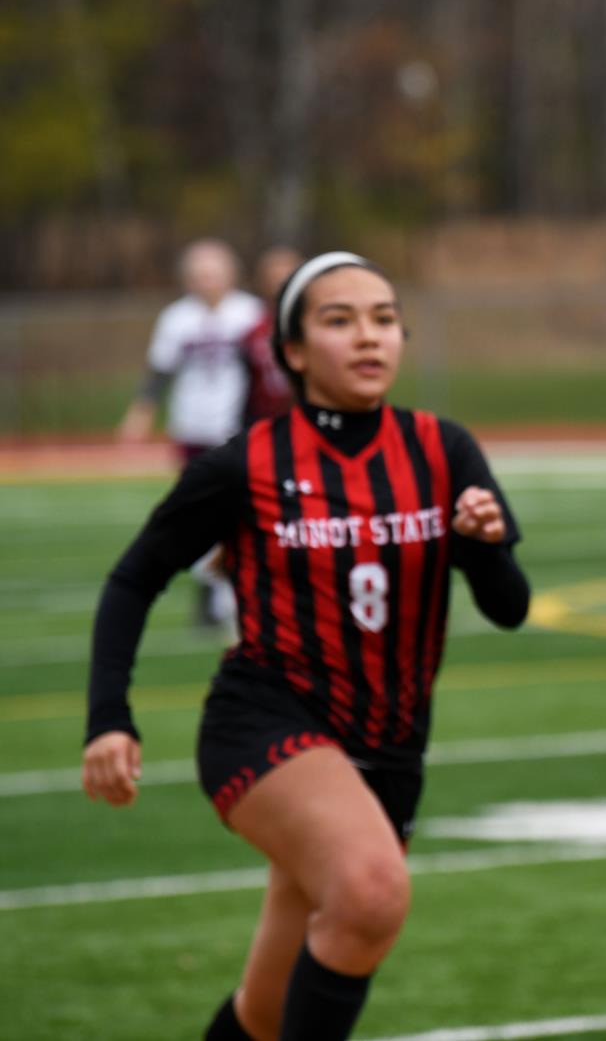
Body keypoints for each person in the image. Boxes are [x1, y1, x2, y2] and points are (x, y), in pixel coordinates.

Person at [82, 251, 532, 1041]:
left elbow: (509, 607)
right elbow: (132, 579)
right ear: (291, 350)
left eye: (384, 318)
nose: (369, 335)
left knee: (266, 1007)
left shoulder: (442, 448)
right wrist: (108, 716)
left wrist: (487, 546)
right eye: (339, 319)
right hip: (264, 722)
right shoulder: (245, 461)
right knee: (369, 892)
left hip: (392, 747)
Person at [119, 238, 266, 627]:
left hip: (239, 426)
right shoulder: (177, 318)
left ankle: (234, 590)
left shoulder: (250, 314)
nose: (206, 280)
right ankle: (212, 590)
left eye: (213, 272)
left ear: (230, 274)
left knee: (242, 507)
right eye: (199, 273)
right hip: (193, 426)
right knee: (199, 511)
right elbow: (160, 370)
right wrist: (141, 412)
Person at [241, 246, 306, 426]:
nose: (279, 283)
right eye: (273, 278)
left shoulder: (314, 322)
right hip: (265, 416)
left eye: (286, 276)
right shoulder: (253, 326)